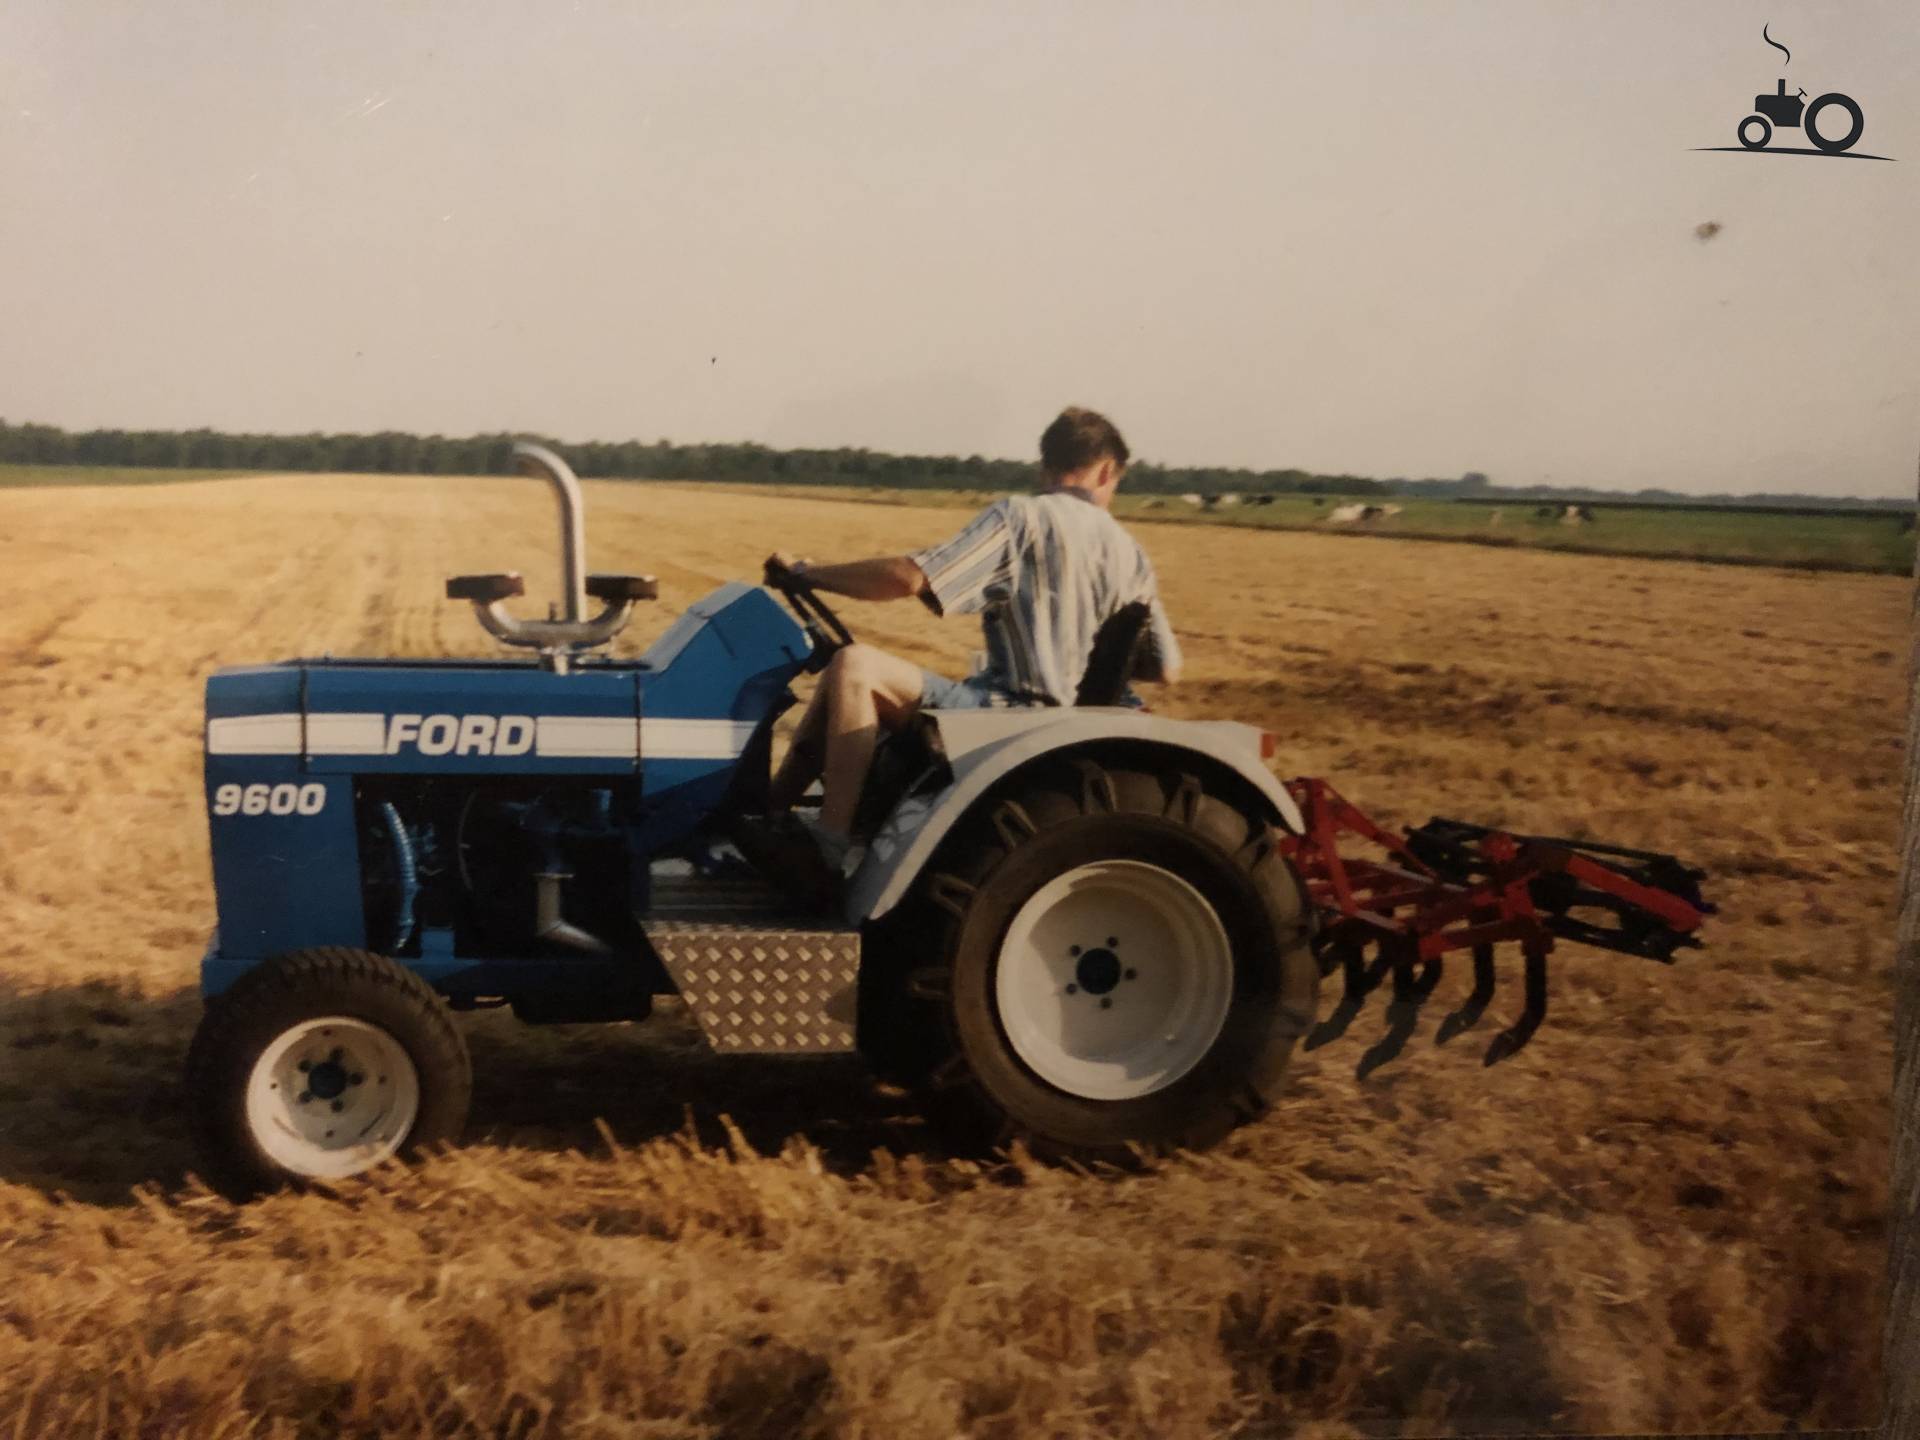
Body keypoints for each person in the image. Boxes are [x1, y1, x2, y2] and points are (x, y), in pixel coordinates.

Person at [739, 406, 1182, 905]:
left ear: (1045, 466)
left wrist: (809, 573)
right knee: (847, 671)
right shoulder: (1132, 553)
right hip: (1068, 722)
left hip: (1012, 716)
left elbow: (910, 579)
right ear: (1106, 471)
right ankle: (770, 816)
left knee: (855, 666)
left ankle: (826, 848)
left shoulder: (1022, 517)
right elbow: (1165, 666)